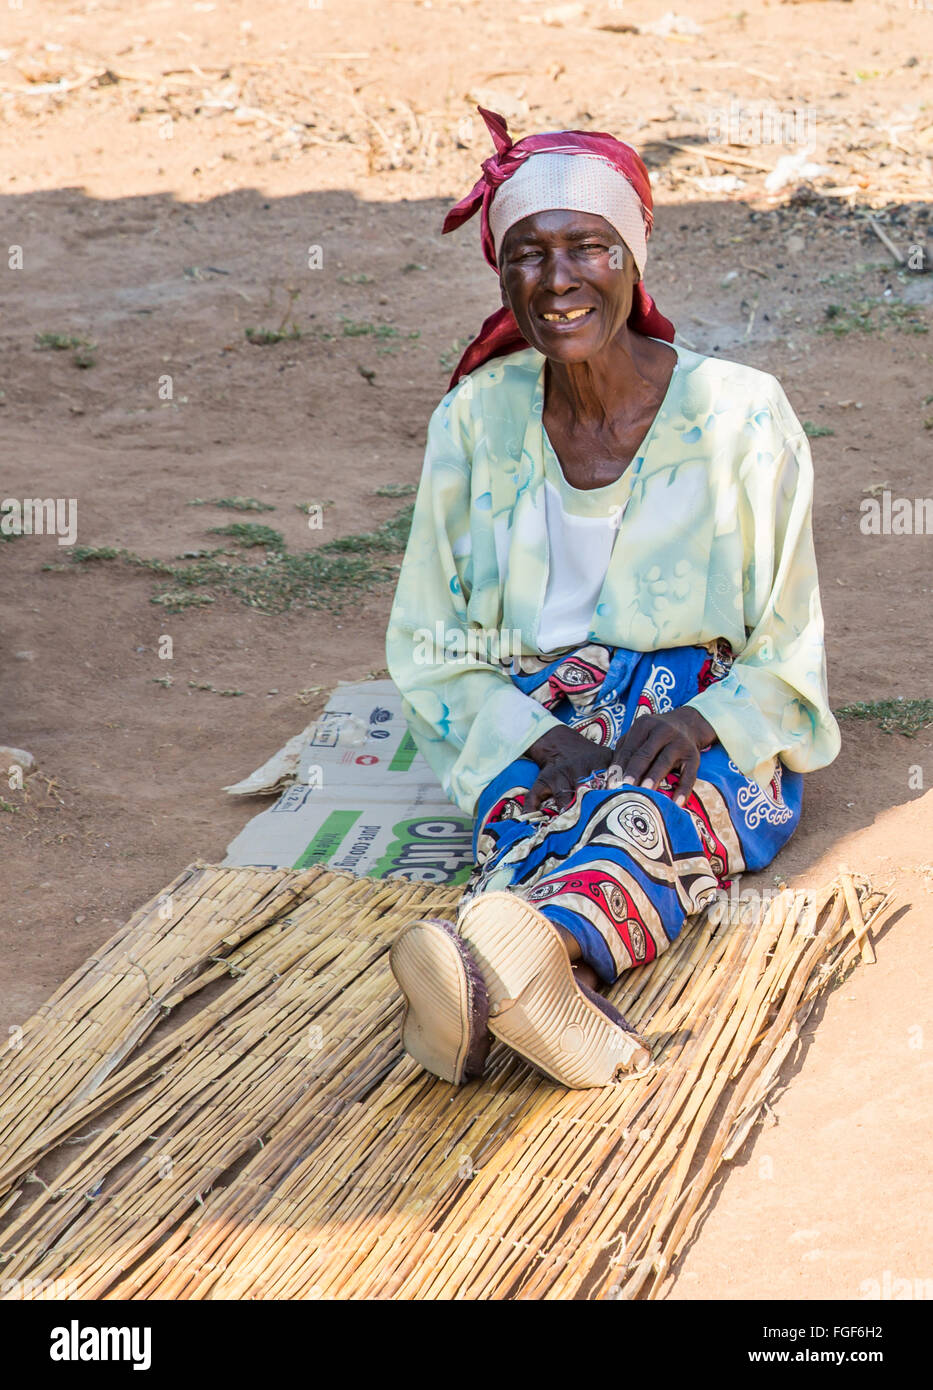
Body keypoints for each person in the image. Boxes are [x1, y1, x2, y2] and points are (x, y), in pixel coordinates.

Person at [385, 107, 840, 1090]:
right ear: (501, 275)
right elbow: (431, 639)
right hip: (544, 705)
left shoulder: (743, 416)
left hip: (699, 705)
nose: (558, 281)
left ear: (632, 260)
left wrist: (701, 718)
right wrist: (541, 737)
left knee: (651, 799)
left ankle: (534, 957)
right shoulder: (474, 423)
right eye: (528, 255)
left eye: (588, 246)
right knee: (542, 799)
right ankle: (542, 983)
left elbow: (785, 648)